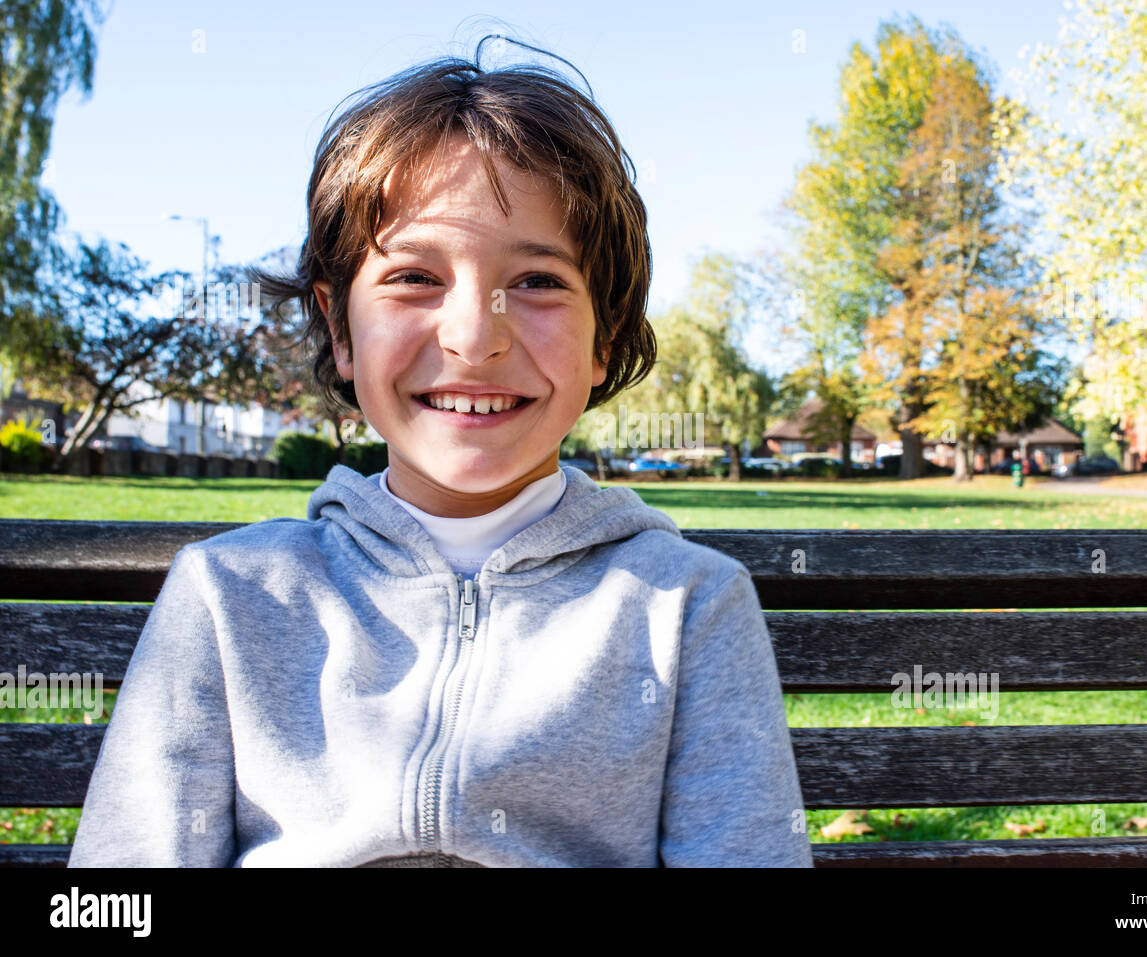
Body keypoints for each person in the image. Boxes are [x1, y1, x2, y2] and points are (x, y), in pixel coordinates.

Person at [67, 36, 813, 868]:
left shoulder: (687, 606)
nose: (472, 336)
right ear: (338, 326)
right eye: (415, 277)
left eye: (536, 282)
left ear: (604, 339)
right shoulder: (231, 595)